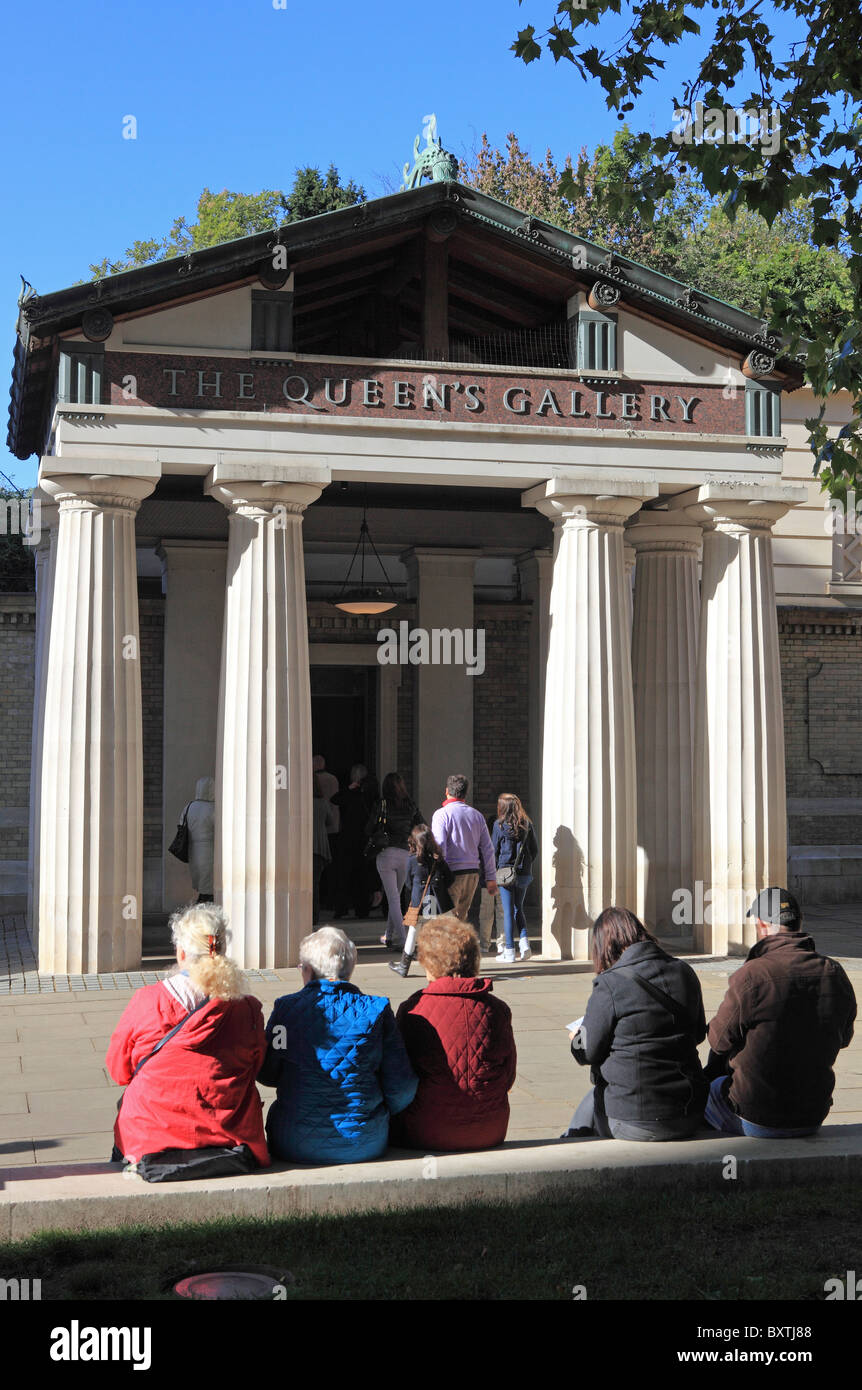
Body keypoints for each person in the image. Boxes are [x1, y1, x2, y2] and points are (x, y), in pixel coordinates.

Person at [106, 903, 269, 1173]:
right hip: (228, 1135)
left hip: (151, 1137)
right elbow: (256, 1066)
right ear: (222, 951)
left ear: (181, 953)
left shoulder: (148, 1001)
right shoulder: (248, 1008)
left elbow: (118, 1070)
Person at [704, 887, 857, 1138]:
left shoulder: (752, 975)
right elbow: (845, 1038)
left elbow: (718, 1041)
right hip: (812, 1114)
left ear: (761, 924)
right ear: (800, 922)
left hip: (756, 1116)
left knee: (704, 1091)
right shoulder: (834, 972)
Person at [258, 927, 417, 1163]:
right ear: (350, 969)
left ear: (308, 970)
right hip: (365, 1139)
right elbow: (401, 1087)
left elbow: (268, 1072)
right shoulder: (377, 1010)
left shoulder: (285, 1009)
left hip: (293, 1140)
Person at [565, 906, 707, 1141]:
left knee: (593, 1101)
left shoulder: (610, 984)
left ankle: (569, 1144)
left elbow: (586, 1052)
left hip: (635, 1117)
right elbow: (699, 1033)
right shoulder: (684, 971)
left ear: (604, 945)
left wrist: (576, 1037)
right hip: (689, 1111)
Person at [391, 916, 517, 1151]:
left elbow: (399, 1082)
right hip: (490, 1129)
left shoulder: (414, 1010)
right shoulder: (498, 1010)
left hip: (427, 1131)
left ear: (429, 962)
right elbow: (508, 1077)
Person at [365, 772, 424, 949]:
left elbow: (368, 828)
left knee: (393, 899)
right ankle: (389, 935)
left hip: (386, 853)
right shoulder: (410, 805)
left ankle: (405, 941)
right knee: (396, 897)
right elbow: (422, 826)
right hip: (406, 854)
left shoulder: (381, 804)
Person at [430, 774, 497, 924]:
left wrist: (438, 872)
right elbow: (488, 848)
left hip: (451, 873)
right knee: (461, 918)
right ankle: (460, 946)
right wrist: (491, 877)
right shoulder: (477, 816)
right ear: (465, 793)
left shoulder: (441, 815)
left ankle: (450, 948)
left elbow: (440, 845)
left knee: (446, 920)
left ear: (447, 791)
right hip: (472, 873)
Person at [390, 824, 454, 977]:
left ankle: (404, 966)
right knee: (444, 932)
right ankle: (451, 964)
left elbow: (408, 884)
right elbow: (451, 879)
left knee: (416, 931)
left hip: (421, 901)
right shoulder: (438, 859)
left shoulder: (412, 860)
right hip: (437, 900)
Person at [491, 793, 539, 964]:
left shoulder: (499, 826)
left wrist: (495, 869)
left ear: (502, 807)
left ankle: (510, 950)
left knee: (508, 912)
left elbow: (494, 850)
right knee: (519, 908)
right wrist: (524, 865)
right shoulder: (527, 825)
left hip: (505, 873)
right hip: (524, 873)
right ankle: (525, 946)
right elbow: (534, 850)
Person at [332, 763, 374, 919]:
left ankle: (341, 908)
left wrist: (349, 789)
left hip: (349, 838)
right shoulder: (368, 794)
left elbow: (335, 799)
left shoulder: (353, 794)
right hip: (363, 838)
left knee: (345, 874)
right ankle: (362, 908)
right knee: (361, 875)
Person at [312, 772, 338, 926]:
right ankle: (314, 915)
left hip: (306, 847)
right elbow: (330, 822)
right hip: (320, 847)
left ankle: (309, 915)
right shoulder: (322, 803)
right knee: (316, 884)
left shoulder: (300, 801)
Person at [186, 776, 215, 902]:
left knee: (201, 881)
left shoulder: (189, 806)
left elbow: (182, 824)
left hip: (192, 849)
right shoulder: (213, 808)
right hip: (209, 849)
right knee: (208, 883)